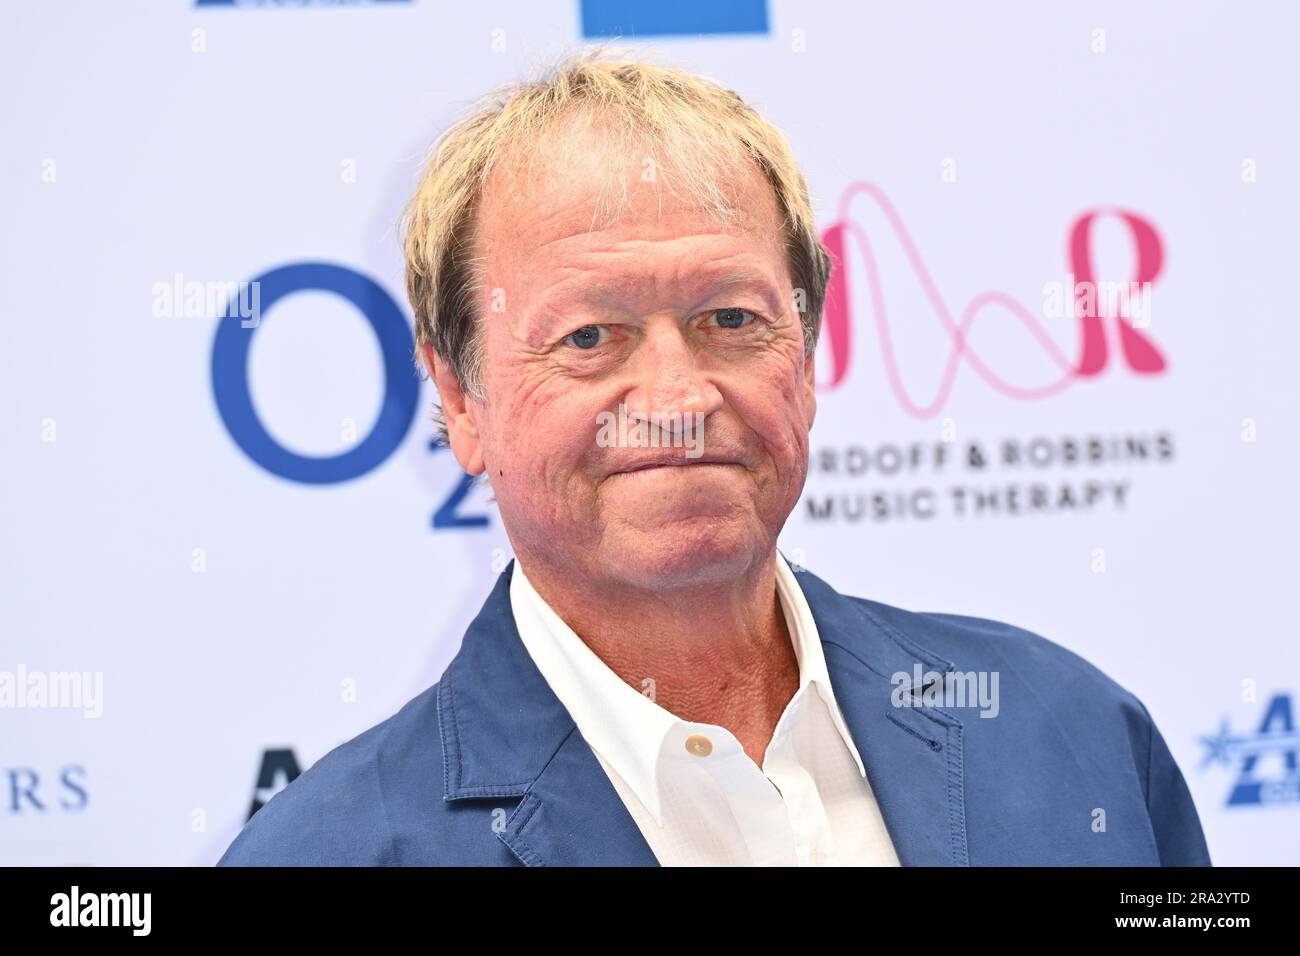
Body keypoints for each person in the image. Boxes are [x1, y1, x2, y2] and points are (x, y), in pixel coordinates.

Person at [218, 52, 1211, 867]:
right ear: (460, 397)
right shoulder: (328, 852)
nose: (678, 400)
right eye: (590, 336)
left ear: (809, 358)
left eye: (730, 318)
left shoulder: (1068, 730)